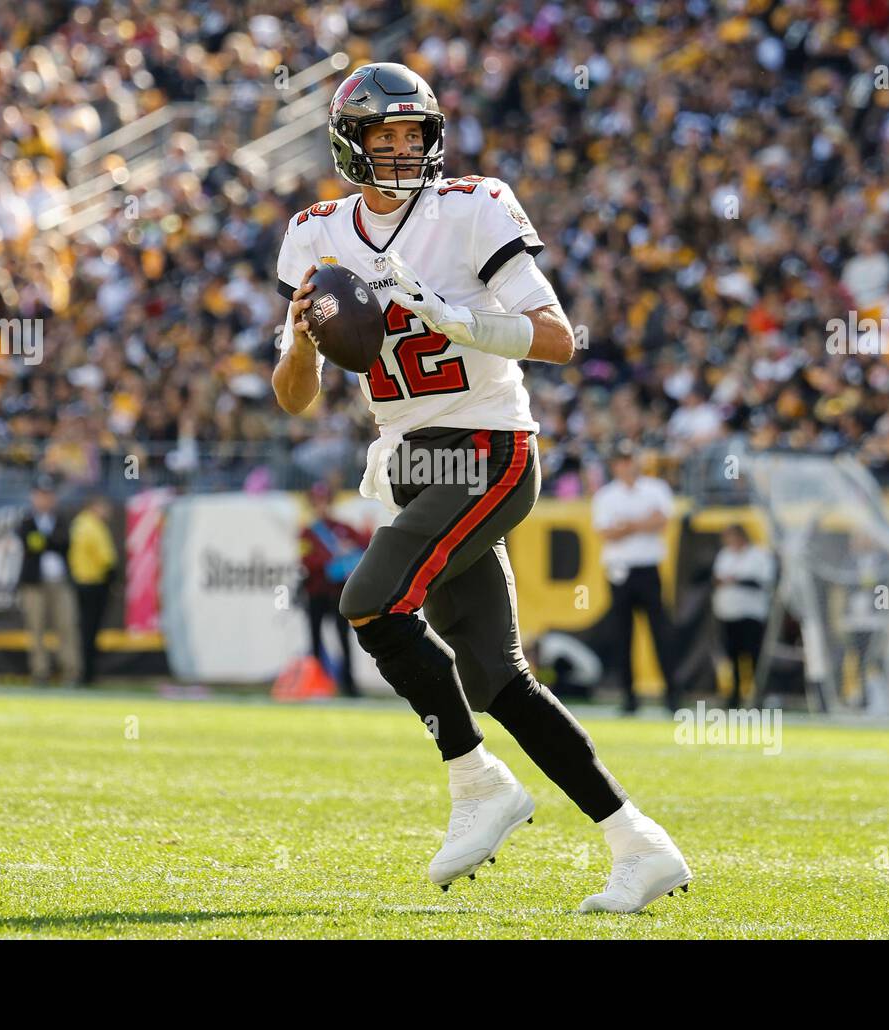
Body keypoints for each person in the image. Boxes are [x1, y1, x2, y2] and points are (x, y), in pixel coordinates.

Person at [270, 62, 690, 913]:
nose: (398, 152)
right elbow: (294, 397)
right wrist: (304, 340)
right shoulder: (314, 233)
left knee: (372, 603)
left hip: (487, 448)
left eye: (411, 136)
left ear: (432, 139)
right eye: (382, 138)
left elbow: (560, 338)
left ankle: (475, 782)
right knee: (498, 681)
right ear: (352, 145)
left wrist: (466, 323)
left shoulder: (471, 206)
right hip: (410, 459)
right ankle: (638, 844)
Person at [591, 440, 679, 715]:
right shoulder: (606, 496)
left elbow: (661, 522)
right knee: (622, 636)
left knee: (660, 634)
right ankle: (629, 696)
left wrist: (626, 525)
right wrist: (642, 523)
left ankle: (672, 694)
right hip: (620, 571)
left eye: (630, 459)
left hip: (647, 569)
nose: (627, 465)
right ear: (615, 465)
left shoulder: (656, 489)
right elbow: (606, 533)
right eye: (622, 460)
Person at [299, 481, 369, 697]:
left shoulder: (343, 528)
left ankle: (349, 686)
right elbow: (306, 560)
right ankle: (317, 684)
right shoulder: (307, 533)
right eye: (317, 501)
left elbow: (365, 545)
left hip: (339, 594)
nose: (321, 505)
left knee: (344, 639)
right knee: (314, 640)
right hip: (315, 593)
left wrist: (366, 534)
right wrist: (333, 558)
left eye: (324, 500)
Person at [18, 476, 79, 685]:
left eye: (48, 495)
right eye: (41, 495)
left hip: (59, 582)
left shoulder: (62, 519)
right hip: (34, 583)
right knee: (36, 628)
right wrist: (48, 542)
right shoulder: (26, 521)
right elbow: (30, 545)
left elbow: (63, 543)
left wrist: (45, 542)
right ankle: (39, 672)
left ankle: (70, 672)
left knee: (66, 626)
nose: (44, 499)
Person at [711, 524, 774, 707]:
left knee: (754, 656)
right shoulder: (725, 555)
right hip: (728, 614)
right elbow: (717, 578)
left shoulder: (759, 555)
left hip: (752, 614)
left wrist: (735, 580)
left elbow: (763, 582)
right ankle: (734, 695)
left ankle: (758, 696)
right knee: (732, 656)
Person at [69, 494, 118, 687]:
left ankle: (84, 672)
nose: (107, 511)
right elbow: (106, 558)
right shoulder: (91, 526)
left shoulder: (79, 524)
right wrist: (113, 577)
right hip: (92, 583)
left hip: (83, 582)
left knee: (85, 630)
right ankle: (86, 673)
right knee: (89, 631)